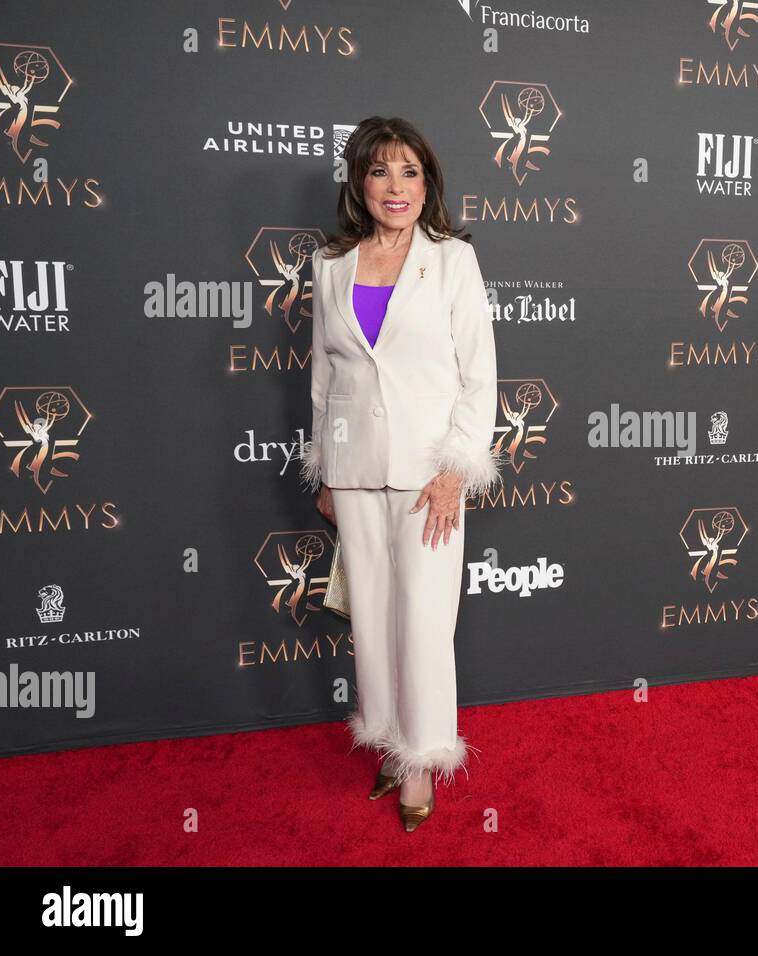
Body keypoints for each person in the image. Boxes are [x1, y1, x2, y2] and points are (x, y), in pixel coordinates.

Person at [300, 116, 503, 832]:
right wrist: (326, 466)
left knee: (423, 618)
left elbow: (480, 378)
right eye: (381, 171)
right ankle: (388, 740)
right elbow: (326, 375)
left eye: (410, 172)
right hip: (355, 470)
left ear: (427, 184)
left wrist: (456, 470)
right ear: (360, 181)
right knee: (374, 620)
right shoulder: (331, 264)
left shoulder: (451, 260)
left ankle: (422, 758)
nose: (396, 186)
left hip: (428, 475)